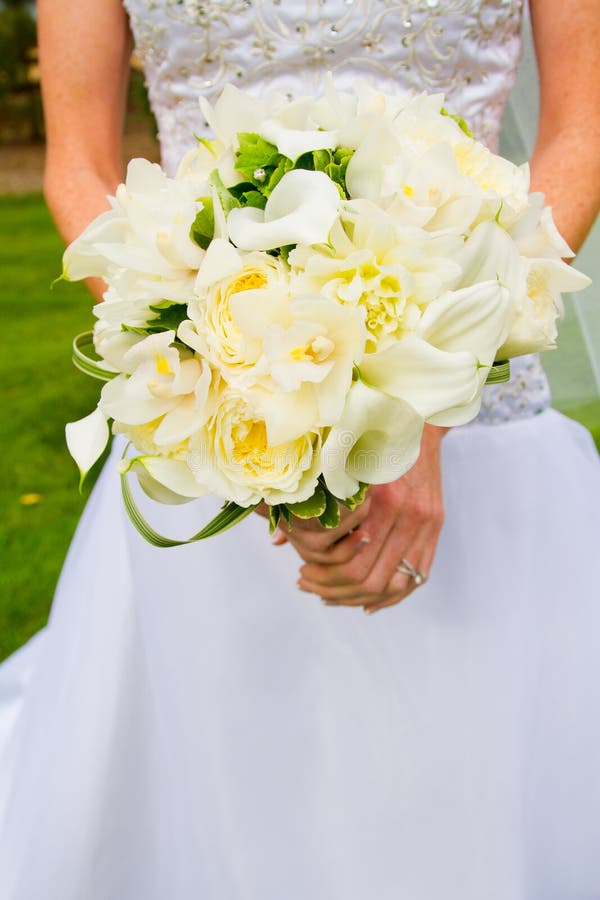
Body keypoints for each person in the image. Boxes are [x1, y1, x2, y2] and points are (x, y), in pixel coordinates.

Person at [0, 1, 599, 897]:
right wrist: (249, 393)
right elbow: (79, 170)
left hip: (480, 429)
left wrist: (421, 405)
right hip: (217, 420)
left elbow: (579, 134)